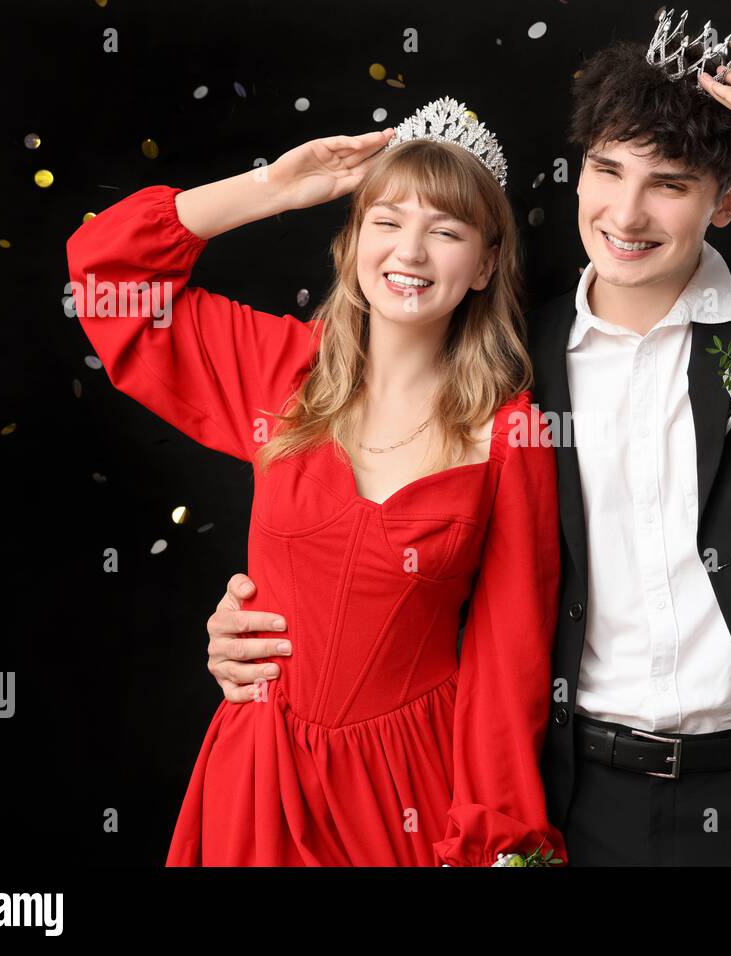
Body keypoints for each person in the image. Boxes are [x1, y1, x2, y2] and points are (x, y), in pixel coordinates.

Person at [205, 14, 731, 865]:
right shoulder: (510, 364)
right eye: (607, 171)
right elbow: (403, 534)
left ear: (725, 202)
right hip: (580, 790)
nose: (627, 212)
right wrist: (271, 631)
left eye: (671, 185)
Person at [66, 97, 567, 866]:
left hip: (409, 793)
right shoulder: (281, 372)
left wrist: (495, 836)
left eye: (447, 231)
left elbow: (510, 667)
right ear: (353, 239)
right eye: (388, 221)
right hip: (260, 775)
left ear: (486, 264)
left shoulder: (509, 434)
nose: (412, 252)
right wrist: (273, 188)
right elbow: (105, 279)